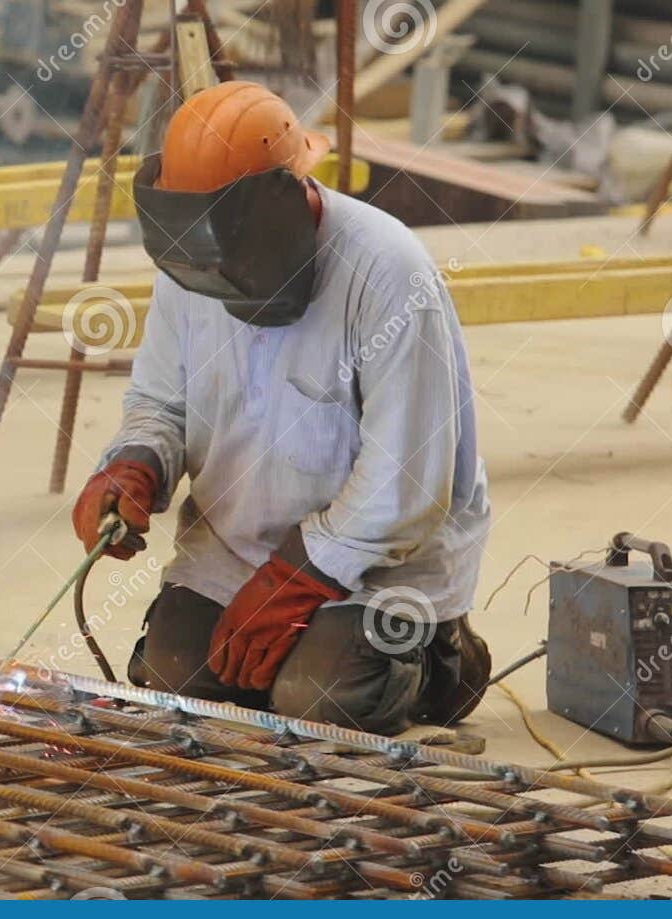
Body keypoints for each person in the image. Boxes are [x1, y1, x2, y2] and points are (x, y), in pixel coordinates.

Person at [72, 80, 492, 735]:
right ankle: (312, 641)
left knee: (319, 701)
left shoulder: (388, 273)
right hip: (236, 548)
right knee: (177, 679)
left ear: (289, 200)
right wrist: (135, 465)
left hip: (376, 562)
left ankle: (445, 659)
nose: (220, 288)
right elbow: (161, 401)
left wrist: (301, 576)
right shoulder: (192, 261)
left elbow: (408, 479)